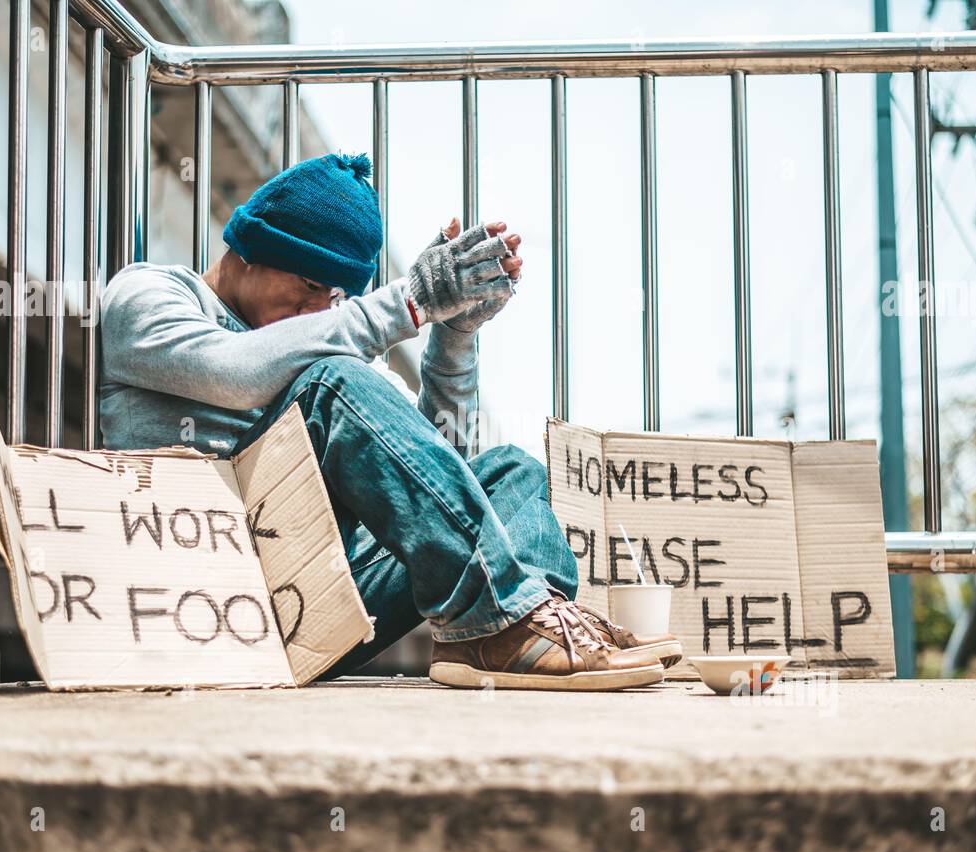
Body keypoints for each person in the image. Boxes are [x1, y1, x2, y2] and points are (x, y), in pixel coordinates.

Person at [98, 151, 678, 690]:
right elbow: (231, 373)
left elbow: (434, 466)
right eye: (306, 284)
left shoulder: (326, 354)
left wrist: (453, 337)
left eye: (333, 299)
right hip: (205, 604)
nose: (314, 309)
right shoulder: (151, 295)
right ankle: (507, 624)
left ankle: (515, 635)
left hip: (317, 605)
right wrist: (407, 304)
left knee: (508, 473)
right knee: (338, 383)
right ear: (249, 248)